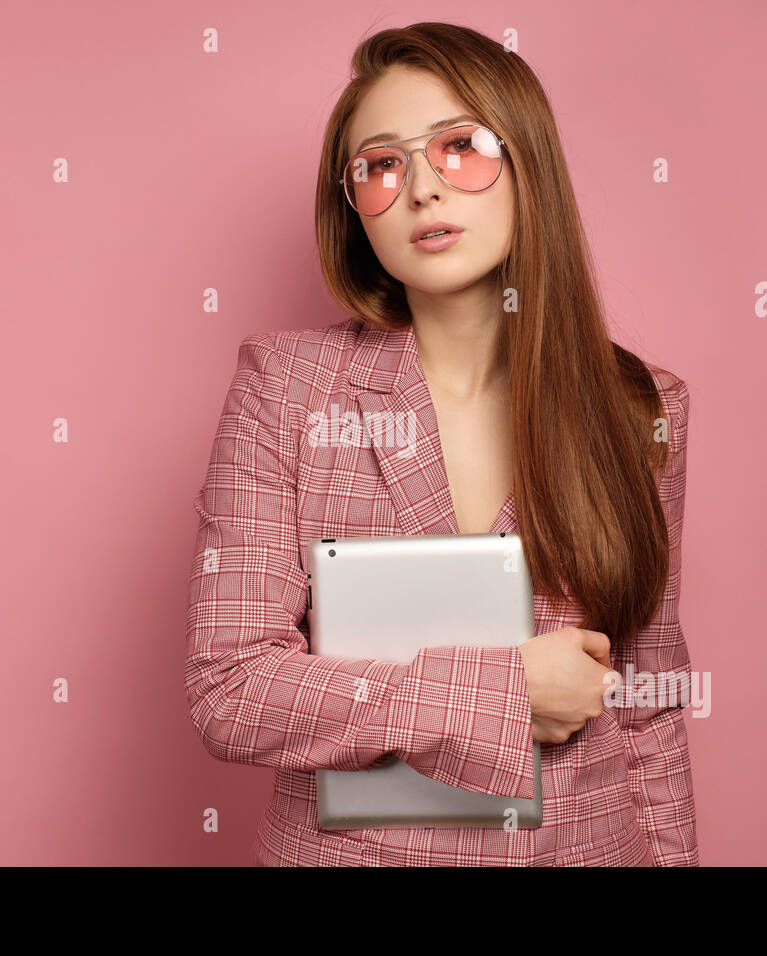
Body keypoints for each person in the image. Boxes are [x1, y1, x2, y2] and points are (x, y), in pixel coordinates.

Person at [185, 21, 699, 866]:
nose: (423, 189)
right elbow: (231, 687)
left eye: (461, 147)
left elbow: (649, 702)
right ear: (354, 209)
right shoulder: (287, 388)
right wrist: (497, 693)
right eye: (382, 165)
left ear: (528, 163)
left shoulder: (642, 405)